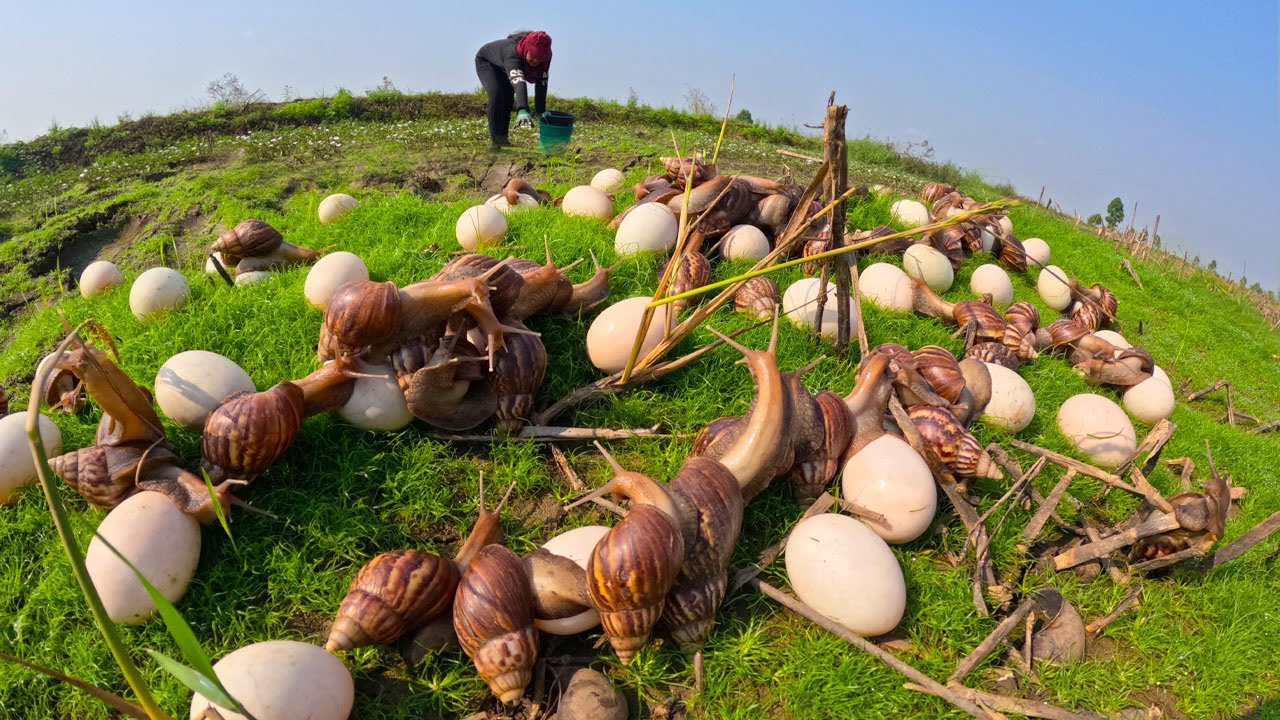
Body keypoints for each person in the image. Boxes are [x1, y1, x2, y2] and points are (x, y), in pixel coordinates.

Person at [475, 30, 552, 149]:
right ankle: (496, 142)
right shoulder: (513, 54)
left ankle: (503, 139)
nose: (536, 61)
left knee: (508, 97)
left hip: (504, 66)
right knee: (496, 95)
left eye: (539, 58)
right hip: (487, 63)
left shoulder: (545, 58)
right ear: (527, 48)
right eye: (533, 56)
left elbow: (542, 82)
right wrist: (522, 109)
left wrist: (541, 110)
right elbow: (519, 82)